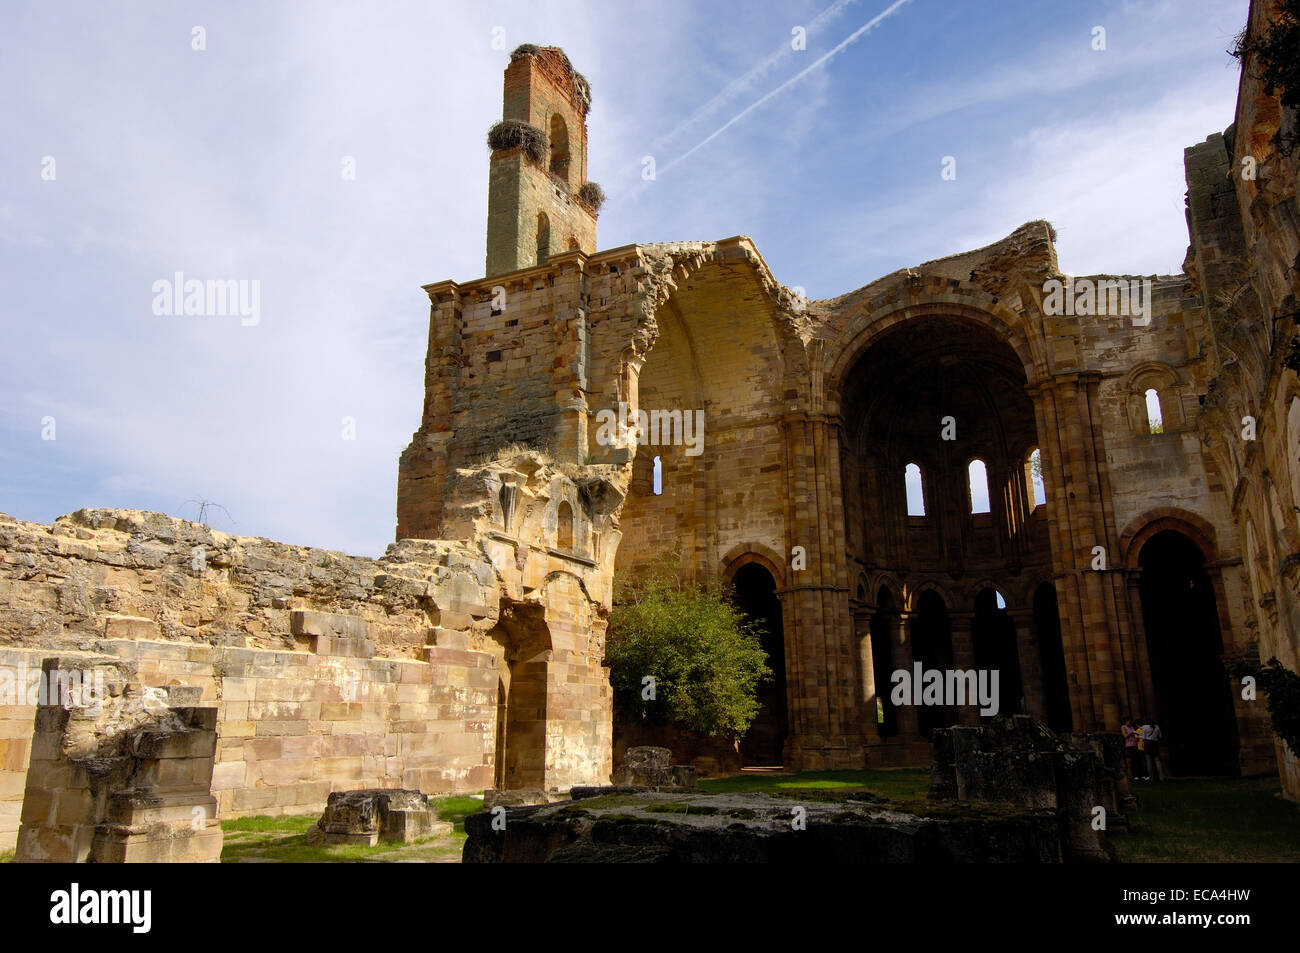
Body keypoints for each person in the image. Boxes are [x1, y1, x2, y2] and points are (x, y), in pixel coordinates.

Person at [1141, 717, 1164, 781]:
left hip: (1148, 744)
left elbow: (1143, 737)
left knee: (1149, 761)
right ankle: (1161, 777)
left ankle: (1151, 778)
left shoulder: (1144, 727)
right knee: (1157, 761)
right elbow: (1160, 736)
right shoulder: (1157, 726)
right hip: (1155, 744)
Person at [1122, 716, 1144, 780]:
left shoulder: (1131, 727)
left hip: (1135, 744)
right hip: (1129, 745)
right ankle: (1135, 775)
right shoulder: (1123, 727)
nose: (1130, 723)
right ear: (1126, 721)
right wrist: (1132, 733)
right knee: (1133, 760)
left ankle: (1140, 775)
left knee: (1138, 760)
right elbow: (1125, 736)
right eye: (1129, 721)